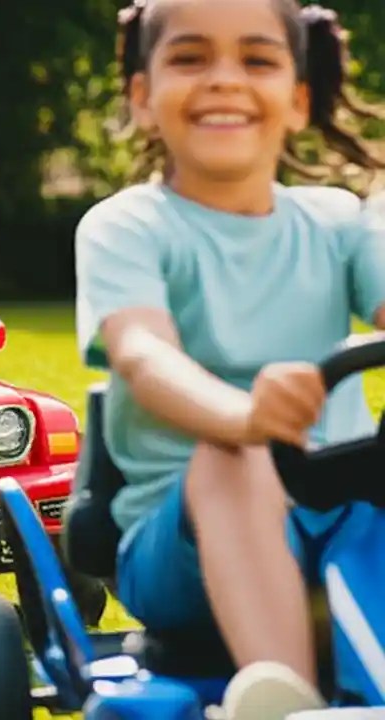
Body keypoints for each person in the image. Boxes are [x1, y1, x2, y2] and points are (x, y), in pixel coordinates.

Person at [75, 1, 385, 717]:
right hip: (177, 545)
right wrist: (246, 416)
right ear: (143, 99)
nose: (224, 80)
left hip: (340, 516)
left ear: (299, 101)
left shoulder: (339, 221)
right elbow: (145, 356)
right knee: (236, 456)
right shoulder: (128, 227)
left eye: (256, 59)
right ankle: (292, 701)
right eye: (189, 58)